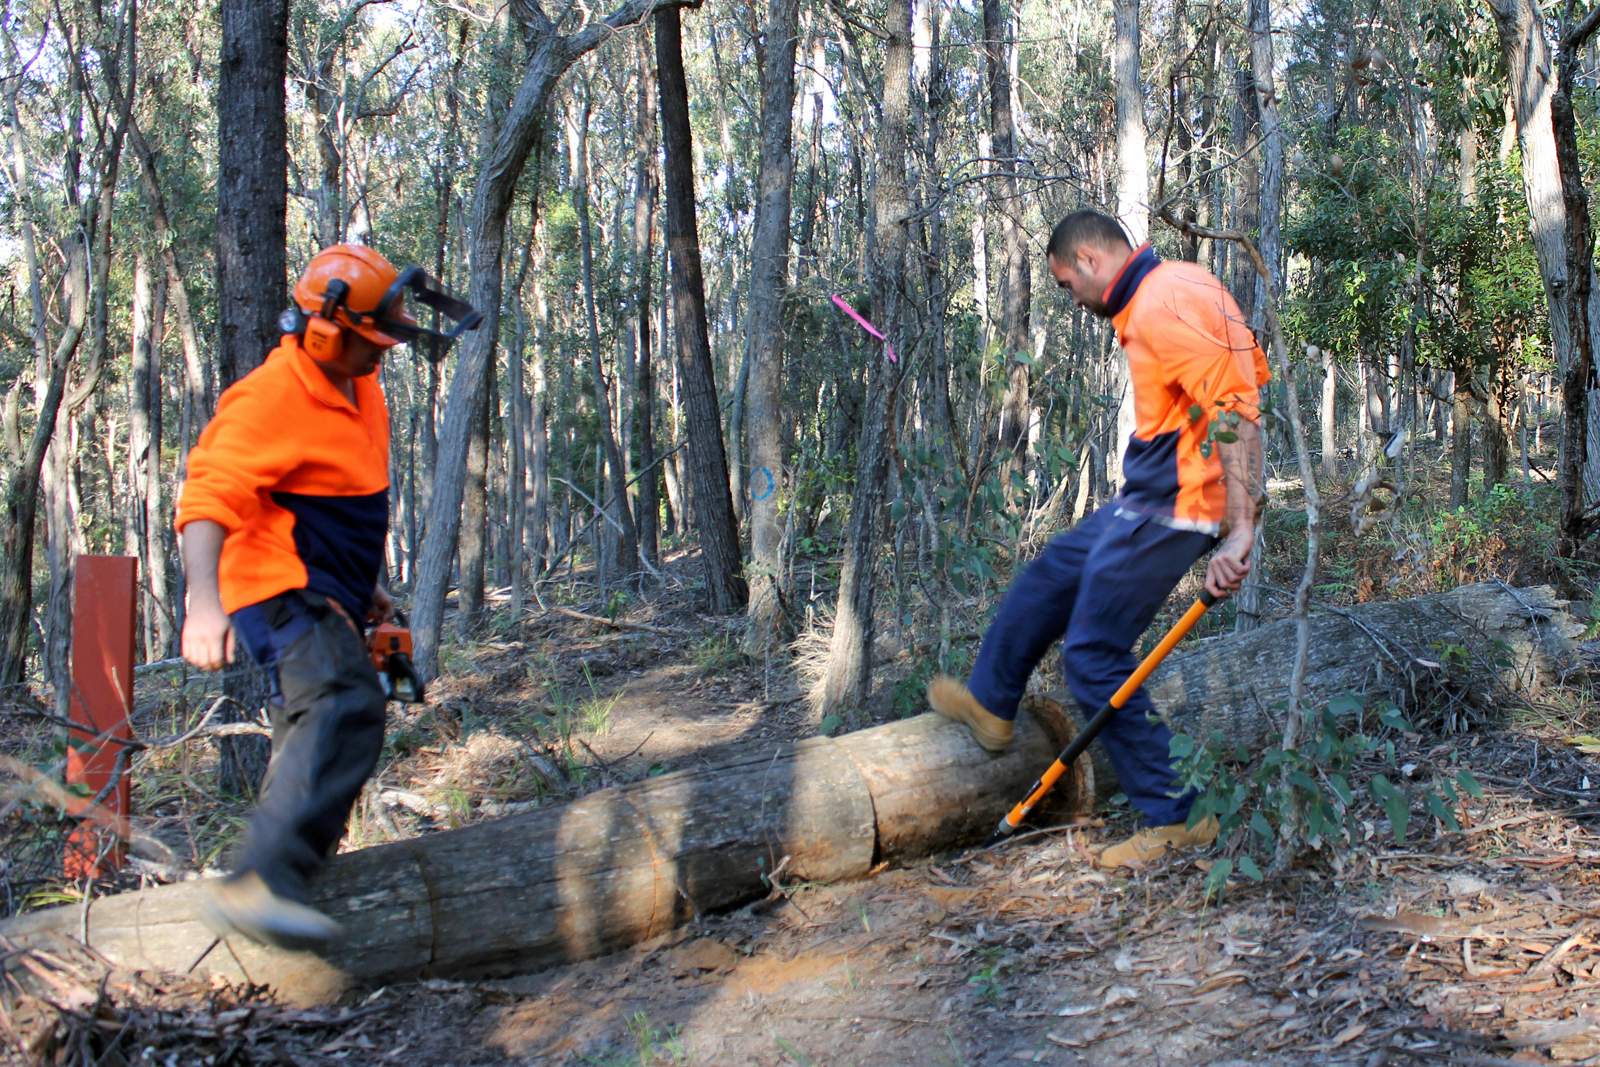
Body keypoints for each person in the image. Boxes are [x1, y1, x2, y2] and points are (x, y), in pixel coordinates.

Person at [928, 209, 1268, 870]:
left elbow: (1237, 409)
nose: (1071, 297)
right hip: (1145, 497)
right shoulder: (1159, 293)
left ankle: (1179, 816)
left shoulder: (1168, 299)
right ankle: (992, 706)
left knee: (1093, 655)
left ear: (1089, 259)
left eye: (1065, 283)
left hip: (1178, 507)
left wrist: (1240, 526)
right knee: (1051, 573)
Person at [176, 244, 417, 949]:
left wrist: (364, 584)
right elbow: (205, 499)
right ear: (323, 332)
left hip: (325, 589)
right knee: (343, 698)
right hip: (270, 586)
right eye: (371, 342)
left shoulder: (362, 387)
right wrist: (202, 604)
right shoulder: (270, 396)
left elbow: (335, 503)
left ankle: (291, 870)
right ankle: (259, 883)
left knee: (336, 707)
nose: (382, 355)